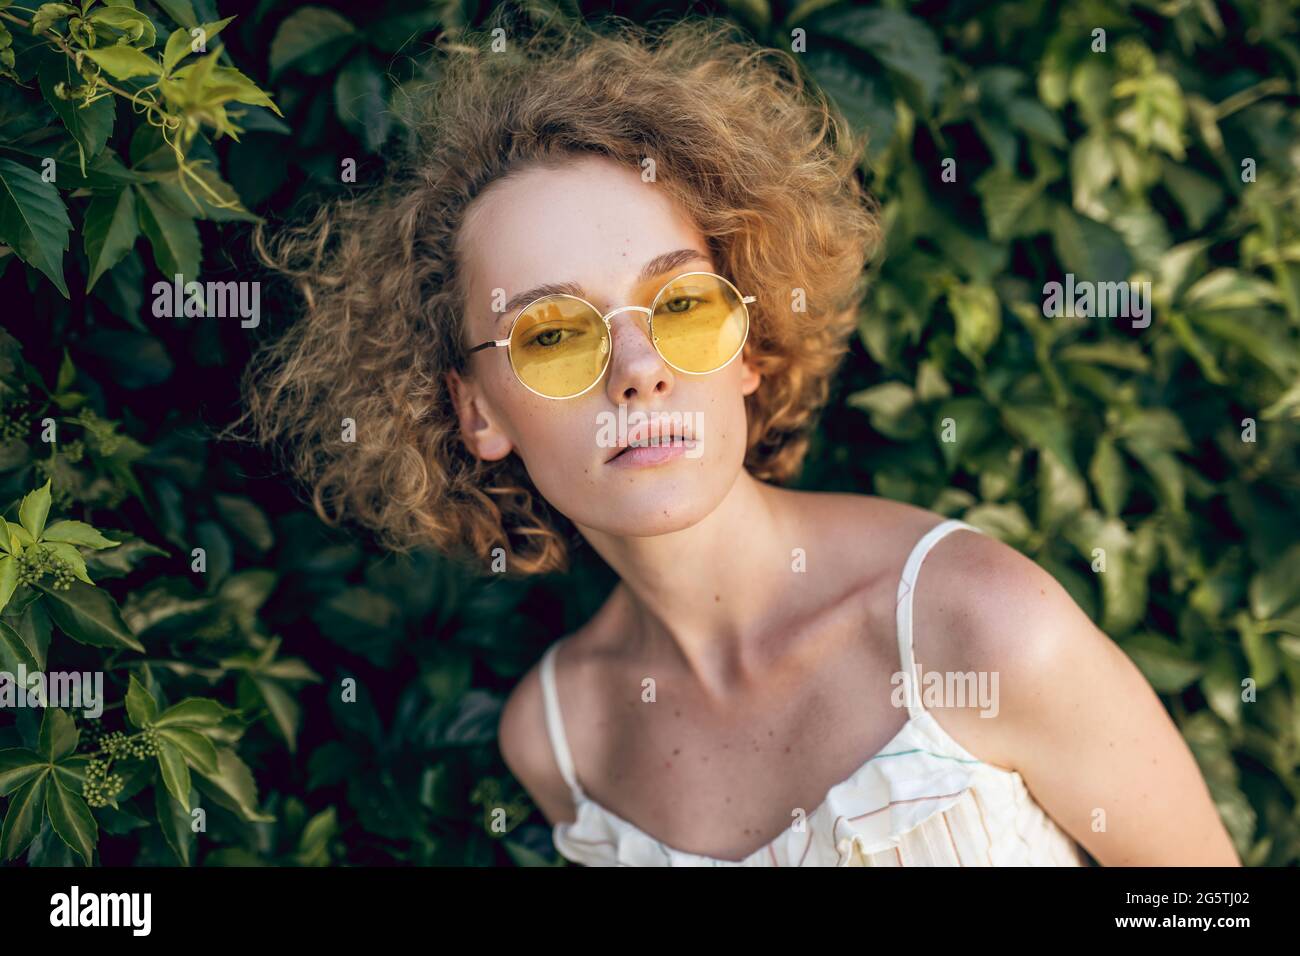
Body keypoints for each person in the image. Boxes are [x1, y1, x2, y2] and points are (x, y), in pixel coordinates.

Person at [231, 9, 1240, 866]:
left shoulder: (976, 625)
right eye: (550, 331)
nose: (638, 366)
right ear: (475, 410)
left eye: (680, 303)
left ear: (748, 343)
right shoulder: (559, 741)